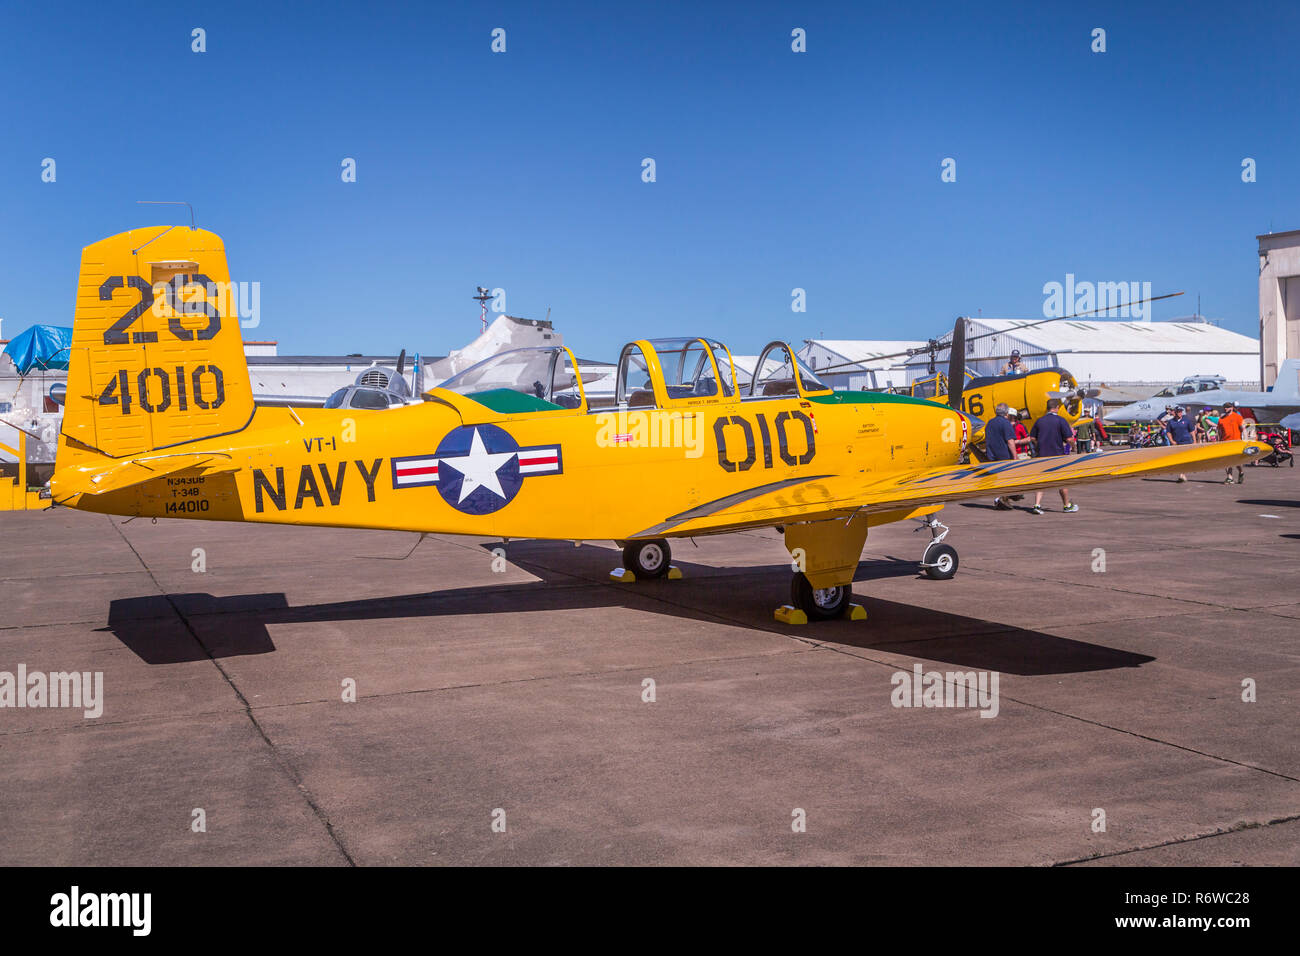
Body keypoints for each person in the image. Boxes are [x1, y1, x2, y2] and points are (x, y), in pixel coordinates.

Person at [1029, 398, 1077, 514]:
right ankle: (1066, 505)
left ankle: (1037, 505)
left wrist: (1039, 445)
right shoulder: (1061, 421)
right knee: (1061, 481)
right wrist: (1073, 446)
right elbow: (1069, 438)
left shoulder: (1039, 421)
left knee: (1041, 481)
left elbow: (1032, 438)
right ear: (1057, 408)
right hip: (1057, 455)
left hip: (1042, 455)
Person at [986, 404, 1020, 510]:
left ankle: (1002, 498)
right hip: (1004, 456)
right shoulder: (1006, 423)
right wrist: (1015, 456)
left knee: (998, 479)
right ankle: (1003, 498)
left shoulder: (990, 423)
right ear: (1006, 413)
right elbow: (1010, 441)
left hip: (992, 455)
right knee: (1007, 478)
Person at [1164, 405, 1195, 482]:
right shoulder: (1171, 422)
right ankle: (1182, 474)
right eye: (1178, 411)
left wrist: (1194, 441)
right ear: (1175, 412)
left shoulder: (1186, 420)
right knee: (1179, 459)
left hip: (1187, 442)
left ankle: (1182, 474)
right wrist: (1171, 441)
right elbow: (1168, 432)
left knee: (1185, 459)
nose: (1180, 413)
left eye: (1181, 411)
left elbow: (1192, 431)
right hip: (1177, 443)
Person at [1218, 402, 1245, 484]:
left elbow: (1243, 429)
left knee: (1236, 462)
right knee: (1227, 461)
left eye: (1227, 407)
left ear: (1232, 408)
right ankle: (1230, 477)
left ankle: (1241, 472)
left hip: (1236, 442)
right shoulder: (1221, 419)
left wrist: (1245, 440)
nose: (1225, 408)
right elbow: (1219, 431)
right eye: (1224, 407)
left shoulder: (1238, 417)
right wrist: (1219, 441)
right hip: (1225, 442)